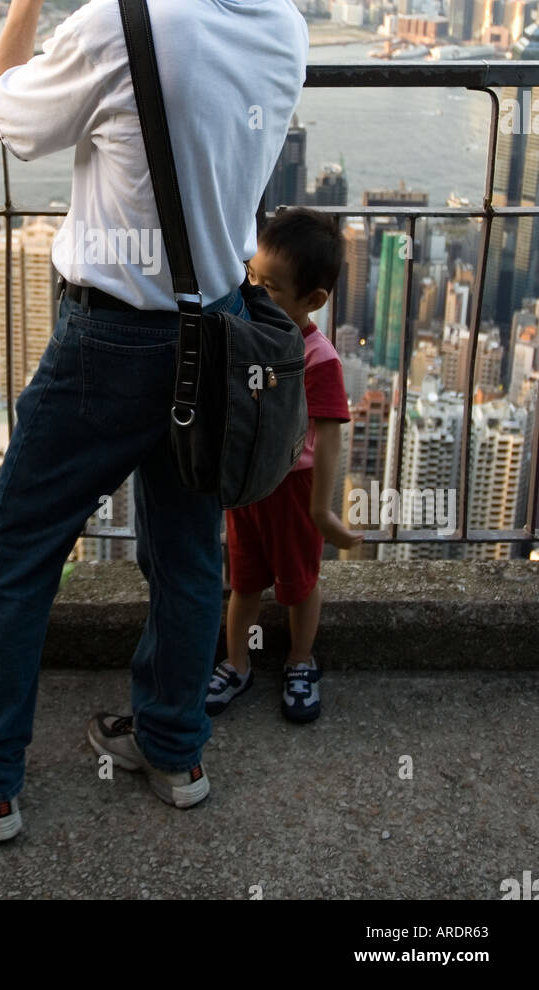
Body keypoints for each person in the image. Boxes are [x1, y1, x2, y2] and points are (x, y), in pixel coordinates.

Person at [0, 0, 309, 843]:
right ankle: (174, 747)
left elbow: (3, 116)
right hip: (219, 332)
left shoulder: (117, 24)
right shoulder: (286, 24)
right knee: (187, 559)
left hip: (111, 340)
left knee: (22, 548)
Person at [205, 207, 362, 725]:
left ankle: (300, 660)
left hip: (293, 492)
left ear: (312, 300)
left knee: (299, 581)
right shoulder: (246, 333)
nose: (254, 292)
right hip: (250, 486)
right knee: (244, 580)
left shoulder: (319, 359)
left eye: (270, 287)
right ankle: (237, 662)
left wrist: (323, 511)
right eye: (252, 277)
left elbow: (332, 435)